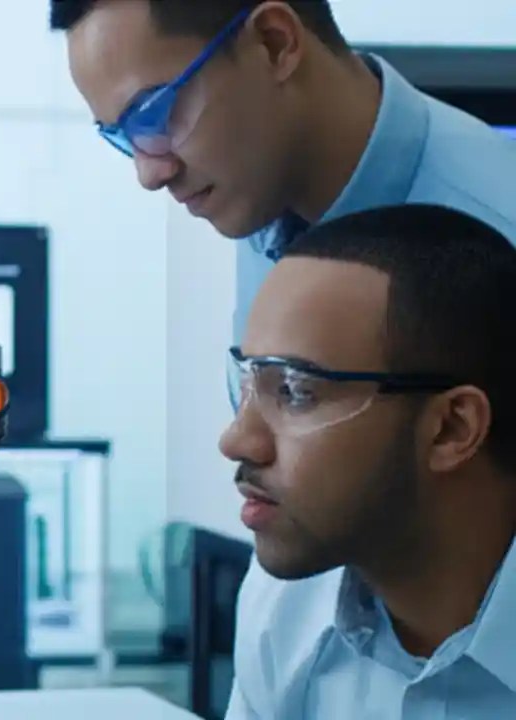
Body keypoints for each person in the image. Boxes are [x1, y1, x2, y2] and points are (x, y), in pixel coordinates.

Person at [48, 0, 516, 342]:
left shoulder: (500, 236)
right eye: (122, 136)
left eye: (152, 115)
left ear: (274, 44)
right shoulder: (266, 192)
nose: (149, 174)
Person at [218, 203, 516, 717]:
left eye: (294, 390)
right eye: (247, 384)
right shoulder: (285, 606)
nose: (237, 440)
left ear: (451, 428)